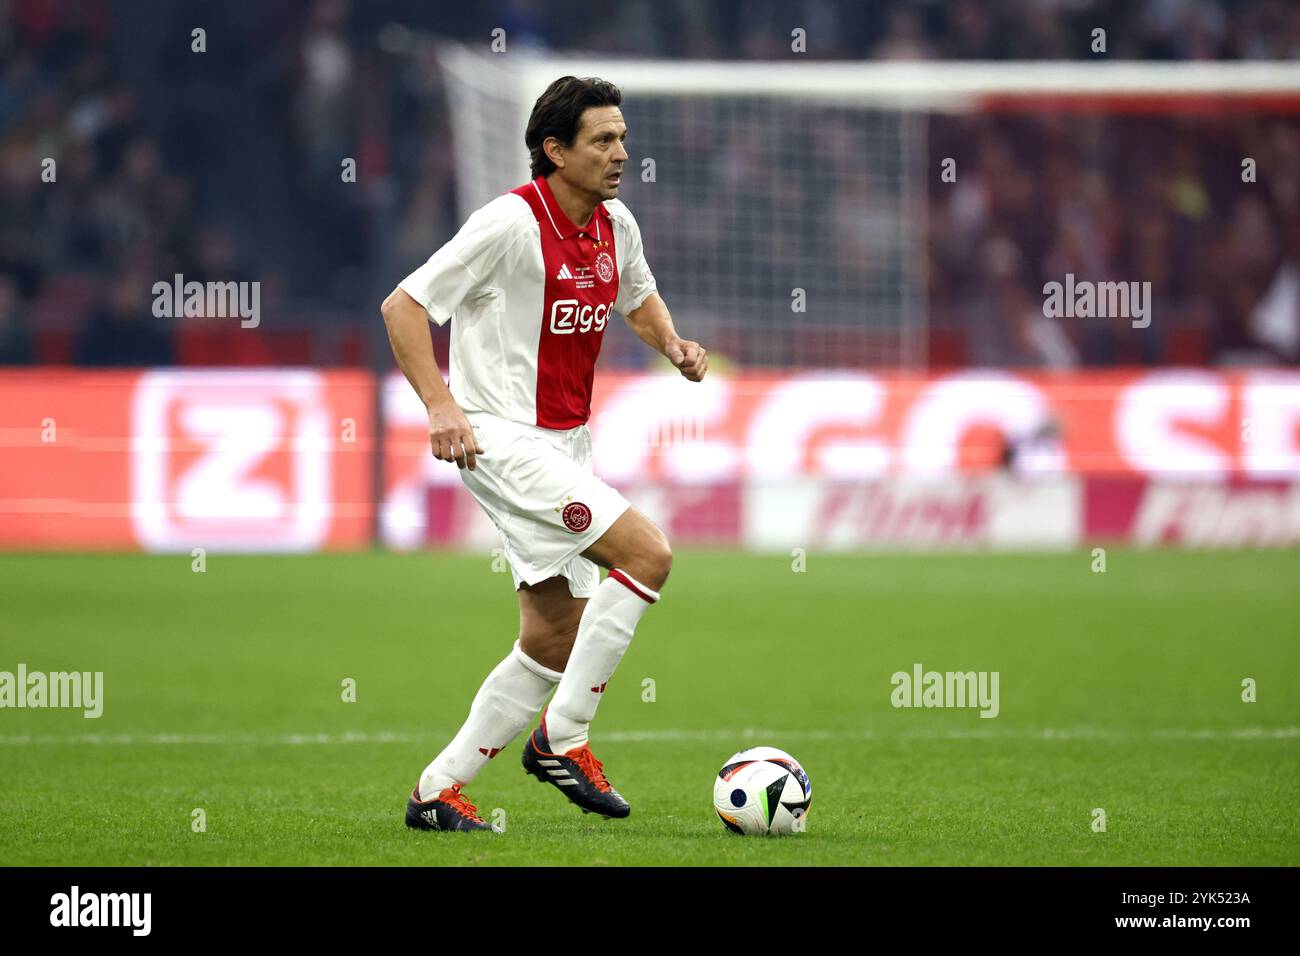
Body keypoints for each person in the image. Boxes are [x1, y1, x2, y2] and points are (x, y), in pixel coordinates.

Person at [381, 76, 708, 831]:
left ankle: (438, 792)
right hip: (499, 436)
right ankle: (564, 737)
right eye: (603, 140)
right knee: (648, 555)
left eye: (622, 137)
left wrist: (672, 344)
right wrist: (441, 405)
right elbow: (402, 305)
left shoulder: (615, 223)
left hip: (566, 441)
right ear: (554, 150)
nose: (621, 152)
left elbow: (636, 294)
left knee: (555, 632)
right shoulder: (507, 223)